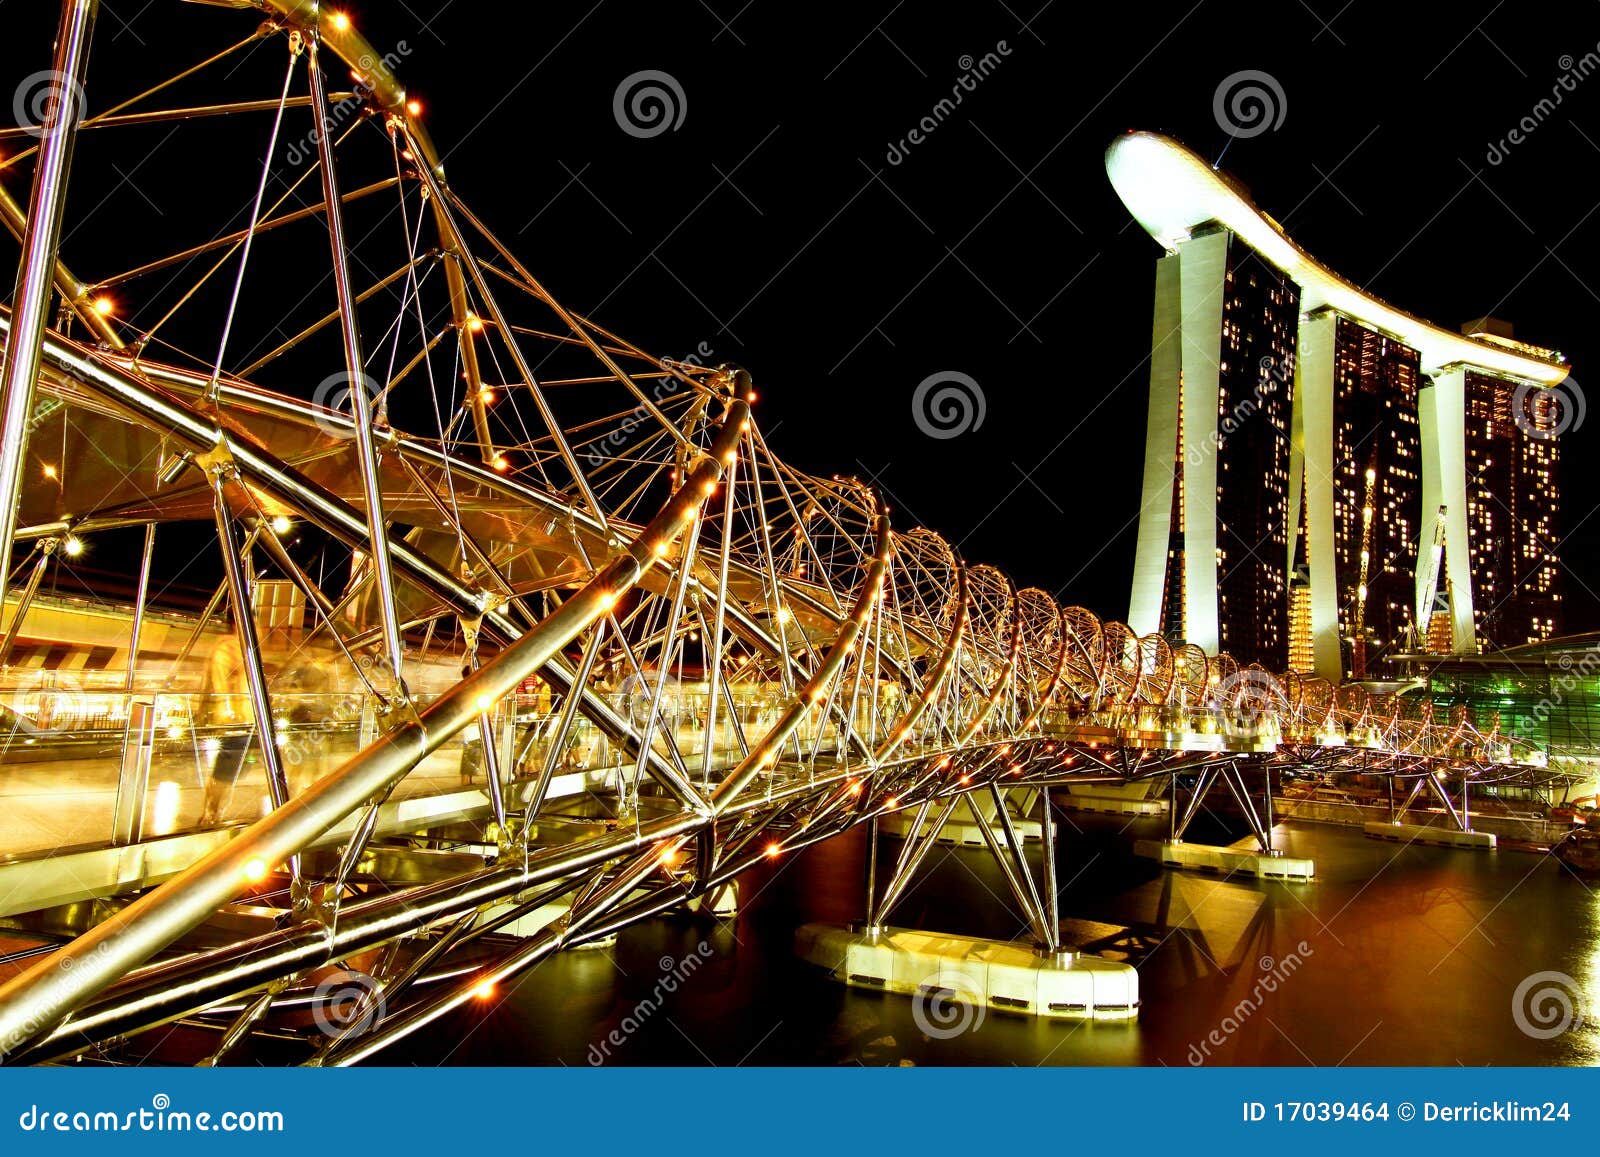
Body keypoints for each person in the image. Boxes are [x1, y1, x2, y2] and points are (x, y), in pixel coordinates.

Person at [199, 631, 252, 827]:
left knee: (228, 770)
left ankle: (213, 812)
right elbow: (224, 685)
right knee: (224, 772)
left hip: (242, 722)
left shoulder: (239, 649)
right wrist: (233, 713)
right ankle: (210, 813)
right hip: (234, 723)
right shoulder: (228, 650)